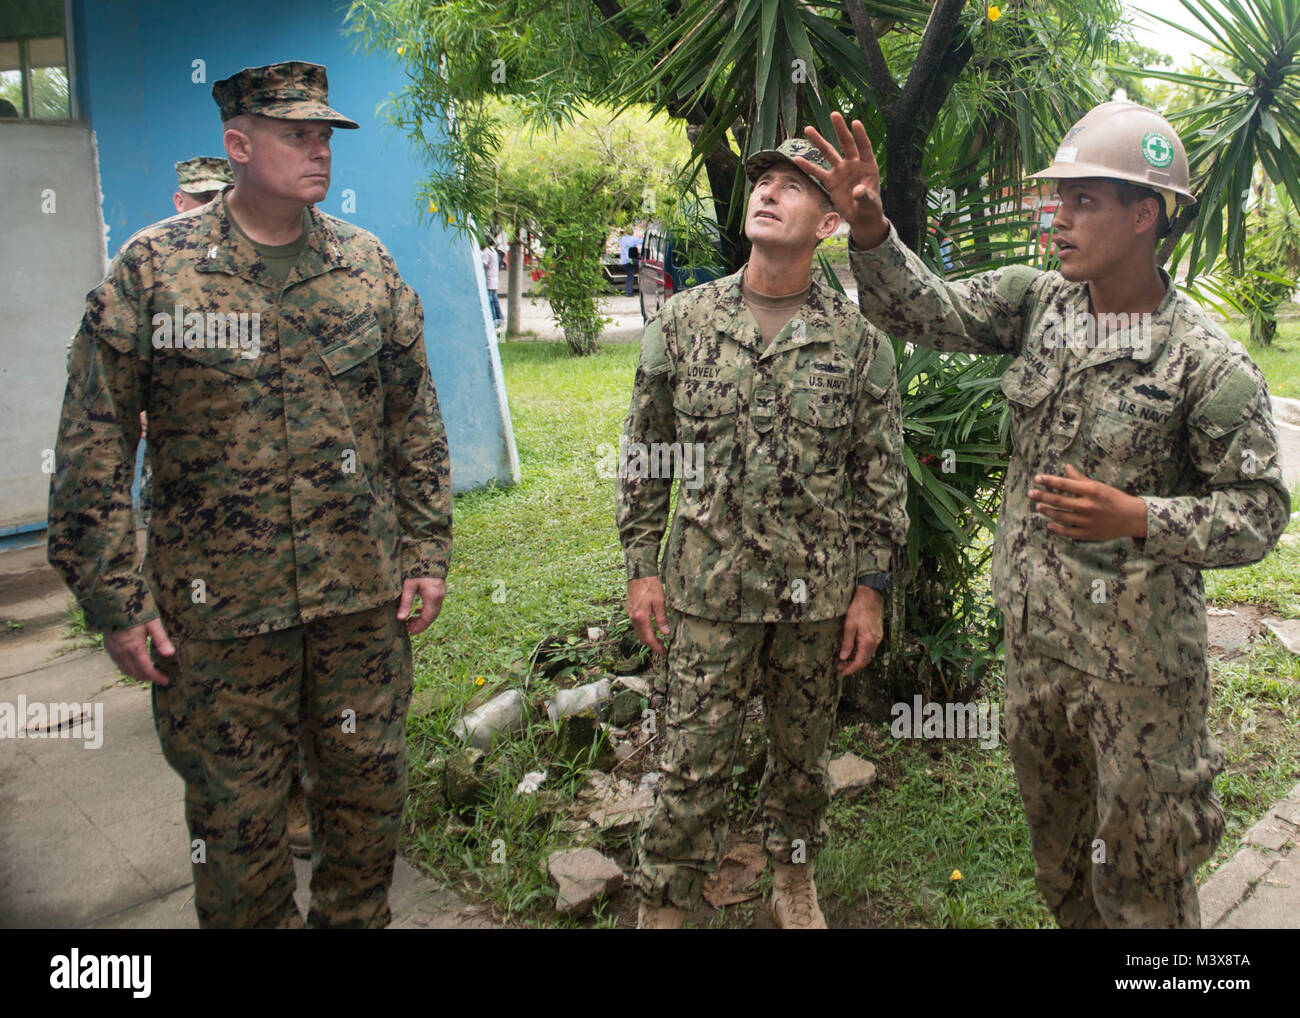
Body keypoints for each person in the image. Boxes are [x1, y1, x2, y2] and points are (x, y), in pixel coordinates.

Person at [799, 103, 1289, 928]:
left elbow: (1260, 512)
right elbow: (926, 311)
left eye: (1081, 203)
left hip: (1138, 680)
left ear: (1145, 214)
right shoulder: (1039, 306)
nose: (1054, 220)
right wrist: (873, 230)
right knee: (1063, 874)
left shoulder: (1207, 362)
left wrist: (1139, 516)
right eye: (1055, 201)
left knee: (1143, 885)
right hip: (1038, 659)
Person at [47, 60, 453, 928]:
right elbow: (92, 444)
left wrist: (426, 554)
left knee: (365, 808)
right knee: (236, 835)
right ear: (238, 145)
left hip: (358, 607)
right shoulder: (155, 272)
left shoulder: (366, 267)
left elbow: (415, 422)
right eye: (295, 135)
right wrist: (117, 601)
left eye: (324, 137)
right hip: (221, 622)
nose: (318, 151)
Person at [617, 138, 909, 929]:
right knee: (691, 764)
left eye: (795, 187)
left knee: (802, 764)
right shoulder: (682, 324)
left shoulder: (859, 344)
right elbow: (646, 457)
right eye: (765, 183)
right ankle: (667, 902)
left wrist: (870, 593)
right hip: (707, 592)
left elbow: (880, 481)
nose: (770, 194)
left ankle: (793, 877)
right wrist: (642, 568)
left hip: (815, 601)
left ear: (828, 225)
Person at [481, 237, 503, 328]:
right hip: (494, 279)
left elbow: (483, 264)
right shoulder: (494, 251)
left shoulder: (487, 252)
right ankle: (500, 318)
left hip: (489, 279)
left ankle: (493, 320)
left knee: (490, 301)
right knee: (495, 300)